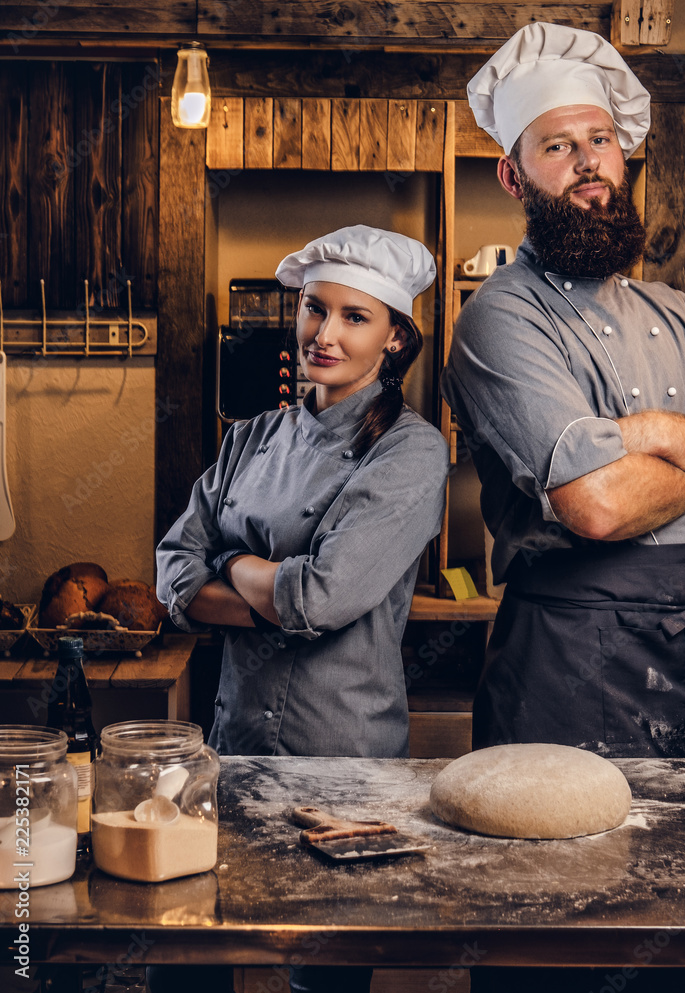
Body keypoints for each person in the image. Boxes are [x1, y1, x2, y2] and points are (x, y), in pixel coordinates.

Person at [442, 23, 685, 763]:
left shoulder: (679, 313)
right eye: (557, 147)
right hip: (567, 663)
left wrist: (657, 432)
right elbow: (598, 506)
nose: (589, 164)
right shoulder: (500, 317)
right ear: (514, 178)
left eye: (601, 140)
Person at [153, 225, 449, 993]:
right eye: (315, 309)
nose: (325, 333)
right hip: (235, 751)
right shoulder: (250, 437)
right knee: (195, 957)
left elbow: (324, 597)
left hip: (344, 767)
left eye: (355, 317)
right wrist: (274, 590)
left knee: (325, 975)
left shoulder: (412, 451)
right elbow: (173, 577)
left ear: (394, 338)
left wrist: (233, 561)